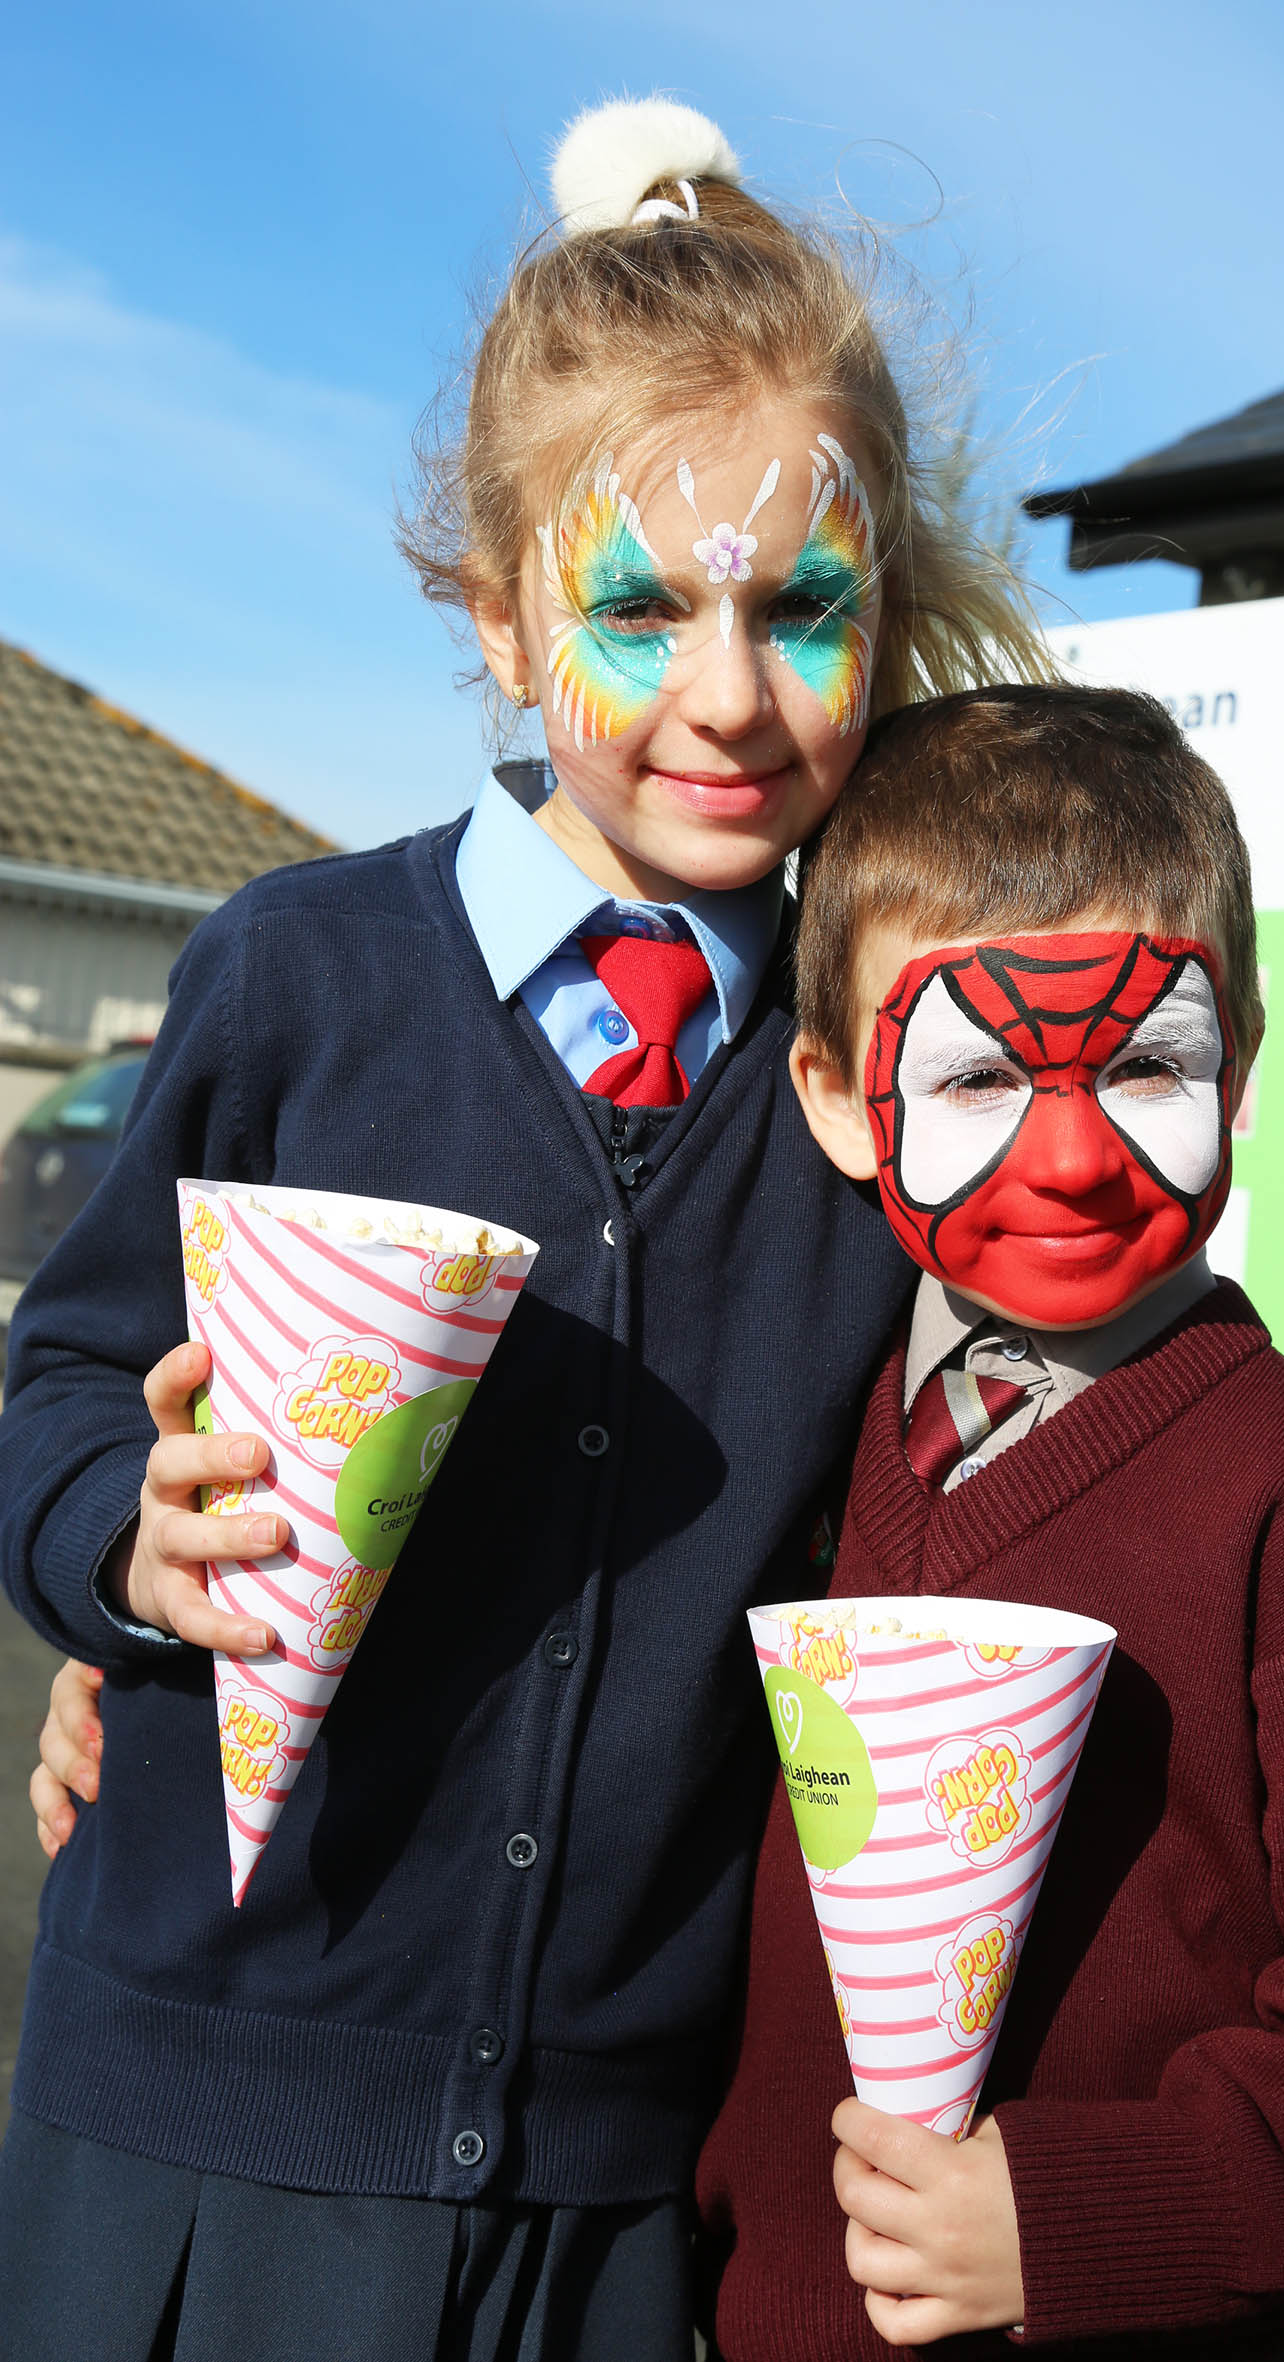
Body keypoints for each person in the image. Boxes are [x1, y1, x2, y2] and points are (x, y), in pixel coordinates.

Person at [0, 99, 1048, 2362]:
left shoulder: (894, 1065)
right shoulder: (298, 972)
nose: (724, 689)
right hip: (201, 2133)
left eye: (801, 606)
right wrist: (122, 1544)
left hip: (619, 2190)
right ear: (493, 609)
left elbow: (1083, 1433)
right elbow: (64, 1377)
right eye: (635, 604)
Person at [693, 684, 1284, 2360]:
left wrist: (1084, 2213)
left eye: (1144, 1060)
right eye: (977, 1072)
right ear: (843, 1099)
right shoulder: (789, 1432)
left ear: (1236, 1076)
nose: (1068, 1156)